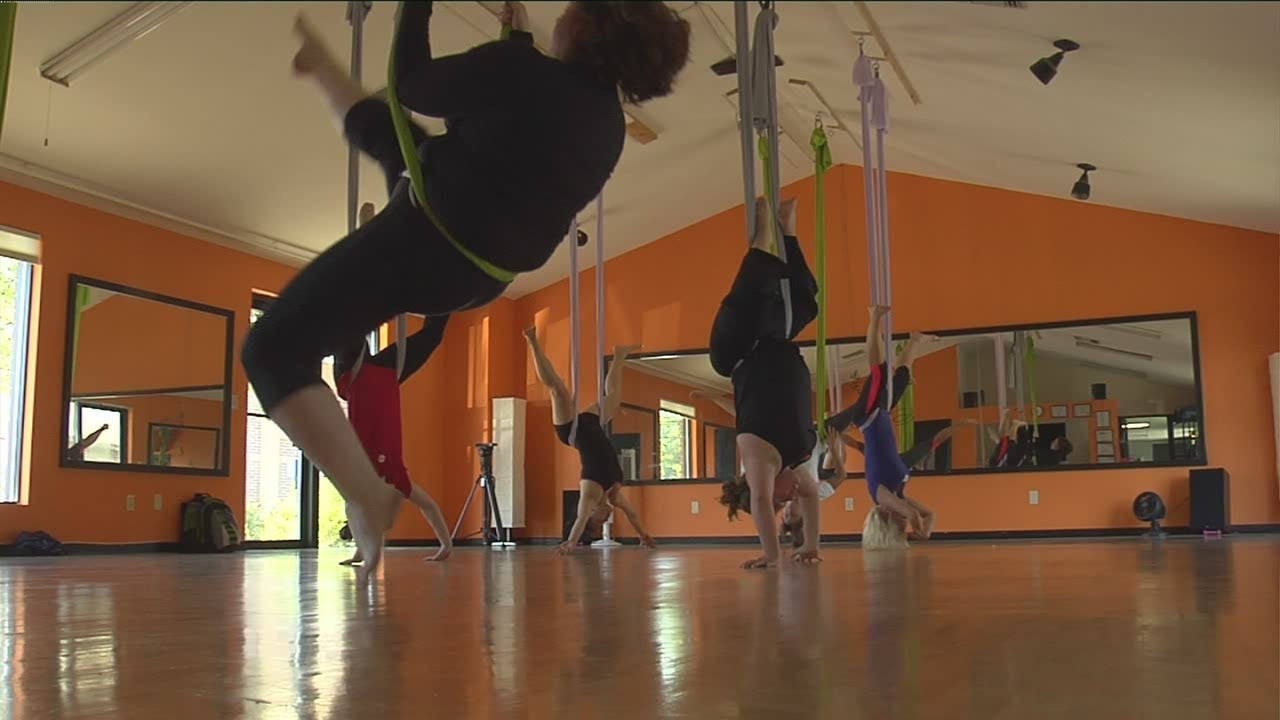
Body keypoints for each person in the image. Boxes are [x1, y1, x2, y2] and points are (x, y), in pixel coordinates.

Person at [240, 1, 691, 580]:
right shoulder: (606, 127)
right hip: (480, 274)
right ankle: (322, 67)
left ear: (585, 26)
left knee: (271, 348)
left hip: (430, 235)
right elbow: (521, 121)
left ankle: (366, 493)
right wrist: (518, 44)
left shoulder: (523, 72)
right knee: (393, 142)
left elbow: (414, 84)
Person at [331, 204, 453, 566]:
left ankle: (366, 235)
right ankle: (445, 273)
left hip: (352, 377)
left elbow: (361, 517)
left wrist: (363, 552)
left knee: (355, 308)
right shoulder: (398, 481)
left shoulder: (357, 486)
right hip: (386, 376)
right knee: (433, 335)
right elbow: (429, 508)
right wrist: (446, 546)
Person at [713, 196, 825, 569]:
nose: (788, 498)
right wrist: (811, 545)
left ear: (757, 484)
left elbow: (760, 500)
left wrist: (772, 552)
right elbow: (810, 499)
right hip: (778, 343)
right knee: (806, 301)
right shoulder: (800, 455)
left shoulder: (759, 455)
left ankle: (762, 234)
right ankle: (788, 231)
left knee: (746, 298)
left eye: (779, 502)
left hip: (737, 349)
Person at [522, 329, 656, 554]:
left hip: (571, 432)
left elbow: (580, 517)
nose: (606, 519)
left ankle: (532, 341)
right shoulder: (613, 493)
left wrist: (571, 542)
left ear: (594, 512)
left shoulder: (590, 492)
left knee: (558, 390)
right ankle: (619, 355)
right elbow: (632, 515)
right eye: (604, 522)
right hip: (591, 425)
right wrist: (644, 536)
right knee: (613, 398)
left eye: (599, 521)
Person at [820, 307, 939, 551]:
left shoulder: (880, 496)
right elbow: (928, 515)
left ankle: (873, 317)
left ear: (886, 517)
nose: (904, 520)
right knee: (902, 379)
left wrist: (914, 527)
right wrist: (924, 532)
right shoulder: (899, 495)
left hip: (869, 417)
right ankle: (915, 340)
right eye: (904, 524)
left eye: (900, 523)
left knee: (879, 374)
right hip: (881, 413)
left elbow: (913, 516)